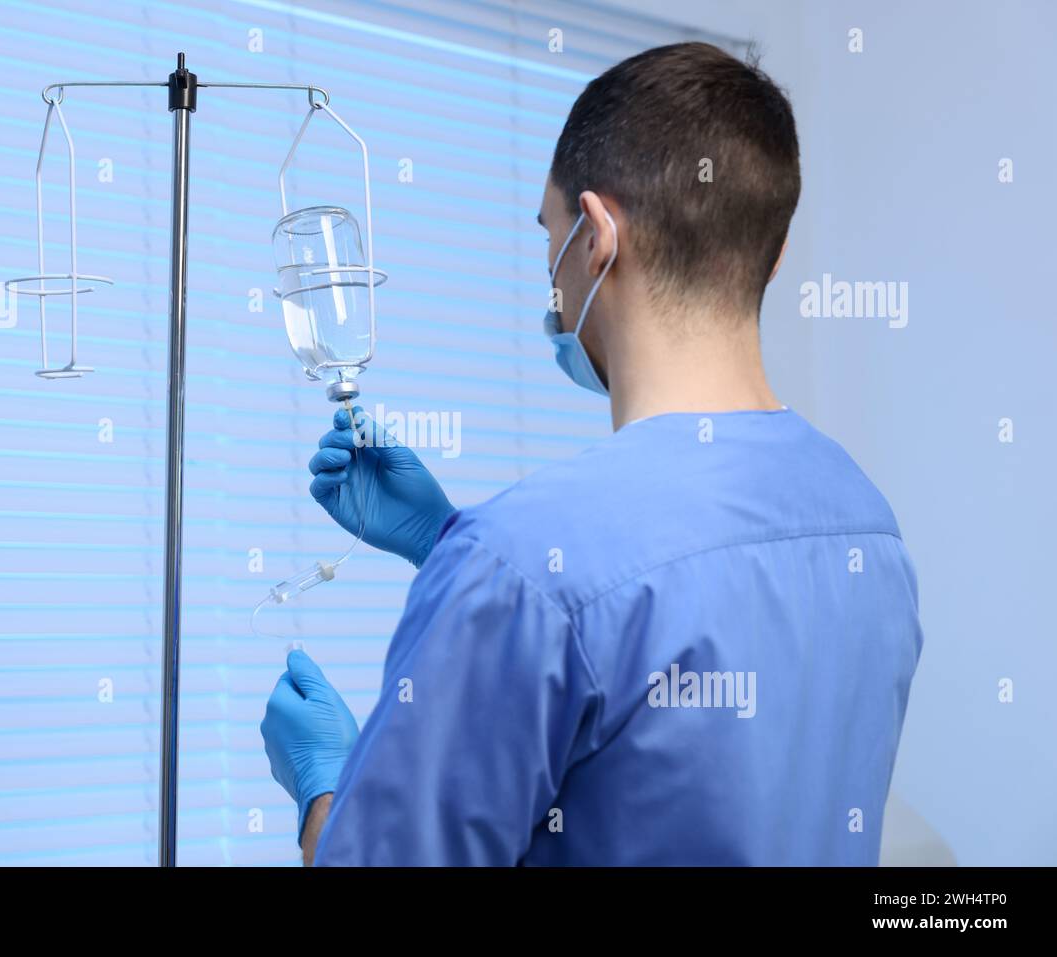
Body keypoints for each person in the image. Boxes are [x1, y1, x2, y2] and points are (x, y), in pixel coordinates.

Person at [260, 41, 922, 866]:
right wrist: (448, 547)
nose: (553, 277)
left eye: (552, 241)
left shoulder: (520, 564)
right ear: (774, 253)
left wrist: (324, 785)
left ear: (598, 236)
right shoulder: (869, 529)